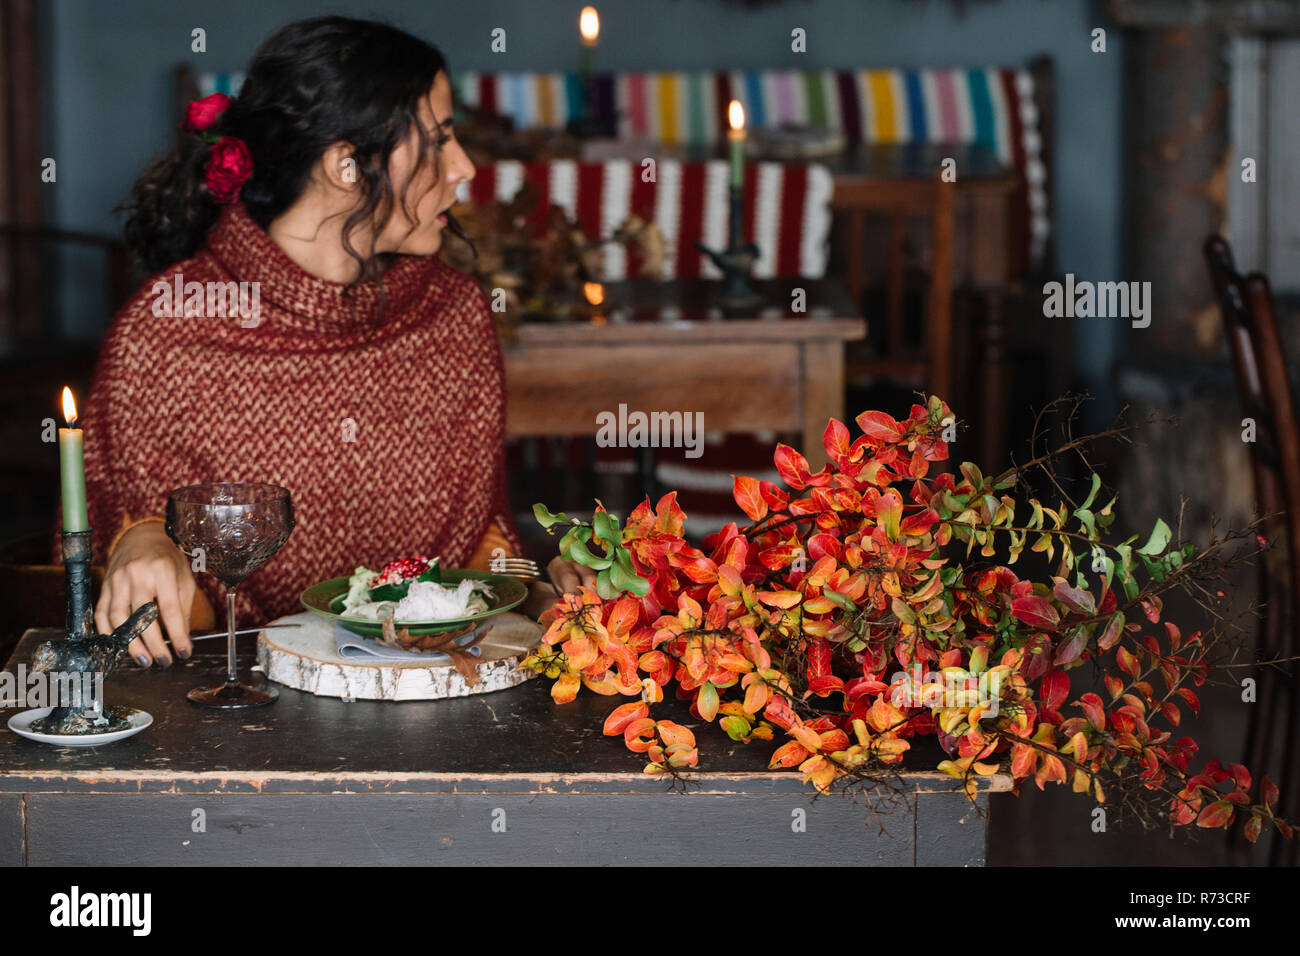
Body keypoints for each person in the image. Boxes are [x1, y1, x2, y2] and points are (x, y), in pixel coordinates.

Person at [80, 16, 594, 668]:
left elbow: (483, 549)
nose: (464, 167)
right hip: (239, 720)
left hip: (437, 706)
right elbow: (166, 602)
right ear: (345, 165)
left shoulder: (453, 315)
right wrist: (144, 544)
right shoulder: (165, 332)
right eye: (437, 140)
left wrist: (547, 591)